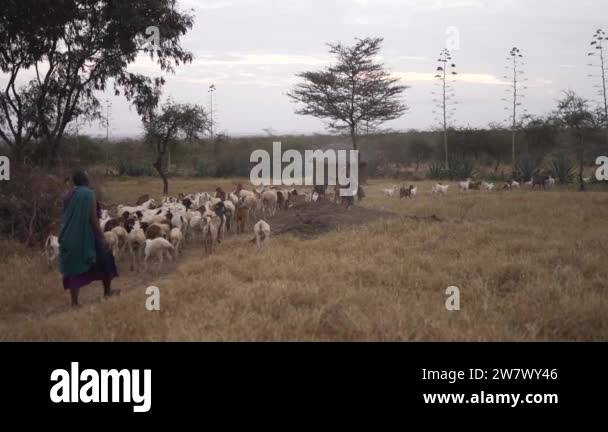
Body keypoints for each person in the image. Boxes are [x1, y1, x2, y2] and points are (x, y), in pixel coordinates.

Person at [59, 170, 119, 307]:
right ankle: (107, 292)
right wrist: (102, 237)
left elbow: (68, 215)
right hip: (88, 234)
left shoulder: (68, 195)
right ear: (86, 180)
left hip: (68, 235)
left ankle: (74, 303)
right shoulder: (88, 194)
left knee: (73, 267)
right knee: (106, 257)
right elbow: (93, 219)